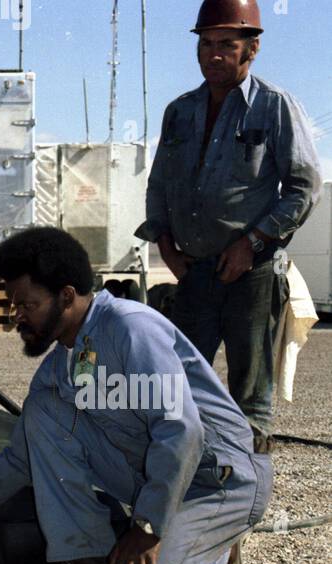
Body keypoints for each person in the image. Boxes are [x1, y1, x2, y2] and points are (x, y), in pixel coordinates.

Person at [0, 227, 272, 564]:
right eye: (14, 306)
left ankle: (217, 553)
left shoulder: (131, 328)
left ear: (67, 296)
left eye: (27, 305)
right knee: (42, 410)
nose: (16, 317)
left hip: (220, 482)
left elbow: (181, 430)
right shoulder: (62, 363)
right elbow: (18, 463)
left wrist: (145, 529)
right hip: (163, 481)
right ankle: (85, 558)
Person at [136, 0, 320, 454]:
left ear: (251, 49)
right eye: (205, 43)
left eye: (226, 44)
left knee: (250, 394)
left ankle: (245, 493)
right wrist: (166, 245)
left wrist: (252, 243)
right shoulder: (180, 111)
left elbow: (303, 187)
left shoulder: (274, 107)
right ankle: (188, 482)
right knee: (180, 385)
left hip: (251, 274)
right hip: (194, 271)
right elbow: (159, 183)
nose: (212, 54)